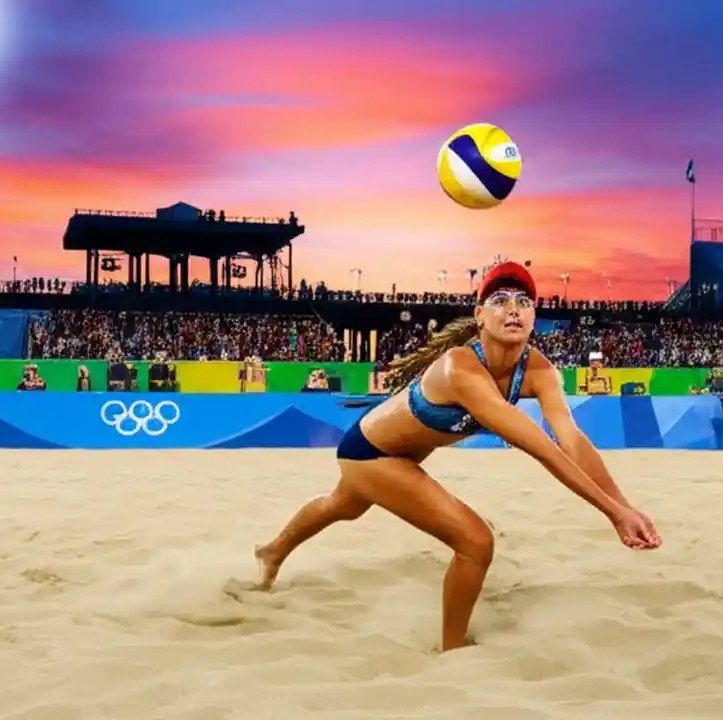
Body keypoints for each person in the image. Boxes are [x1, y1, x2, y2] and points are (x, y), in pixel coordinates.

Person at [246, 261, 661, 651]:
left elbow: (572, 440)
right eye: (500, 301)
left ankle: (272, 552)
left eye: (523, 302)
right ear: (480, 315)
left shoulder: (538, 369)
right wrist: (611, 513)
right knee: (475, 542)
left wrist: (625, 507)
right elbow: (545, 451)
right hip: (369, 452)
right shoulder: (460, 369)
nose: (513, 310)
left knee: (342, 505)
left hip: (400, 457)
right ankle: (451, 649)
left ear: (535, 317)